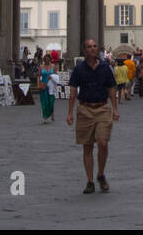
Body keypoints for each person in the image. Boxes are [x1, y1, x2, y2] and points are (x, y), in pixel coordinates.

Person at [66, 38, 119, 194]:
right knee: (87, 146)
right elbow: (73, 91)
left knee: (103, 142)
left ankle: (100, 174)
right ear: (85, 50)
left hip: (102, 108)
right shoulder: (79, 69)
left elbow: (111, 88)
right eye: (89, 46)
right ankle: (90, 181)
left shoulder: (105, 67)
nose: (93, 49)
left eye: (95, 46)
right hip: (85, 109)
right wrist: (70, 113)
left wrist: (115, 109)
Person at [39, 58, 56, 124]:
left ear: (50, 60)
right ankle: (45, 117)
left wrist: (52, 78)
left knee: (51, 101)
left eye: (48, 59)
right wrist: (39, 84)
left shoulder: (53, 66)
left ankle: (52, 112)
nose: (47, 60)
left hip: (51, 85)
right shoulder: (41, 66)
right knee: (44, 101)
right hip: (44, 85)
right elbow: (38, 76)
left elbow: (56, 76)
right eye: (45, 59)